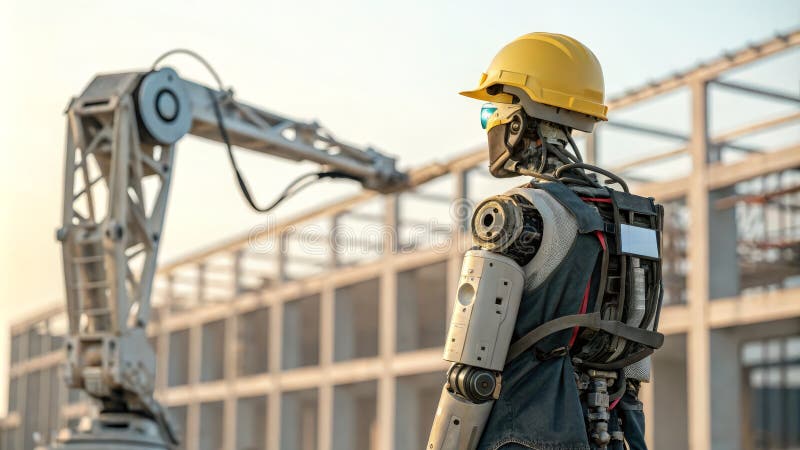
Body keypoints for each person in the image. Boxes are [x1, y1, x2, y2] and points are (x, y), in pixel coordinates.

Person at [427, 32, 665, 450]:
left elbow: (472, 373)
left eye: (490, 114)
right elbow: (637, 358)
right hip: (611, 434)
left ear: (517, 120)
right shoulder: (635, 218)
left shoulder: (516, 214)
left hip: (523, 435)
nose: (491, 127)